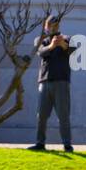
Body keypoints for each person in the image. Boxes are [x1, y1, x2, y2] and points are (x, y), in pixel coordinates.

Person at [31, 15, 73, 152]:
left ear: (58, 26)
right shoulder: (40, 40)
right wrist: (51, 46)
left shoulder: (66, 38)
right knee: (41, 115)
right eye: (49, 25)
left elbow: (73, 51)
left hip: (62, 81)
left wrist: (62, 45)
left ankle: (67, 144)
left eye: (54, 25)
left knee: (63, 115)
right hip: (45, 81)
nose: (52, 28)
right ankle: (40, 142)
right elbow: (41, 53)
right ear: (45, 27)